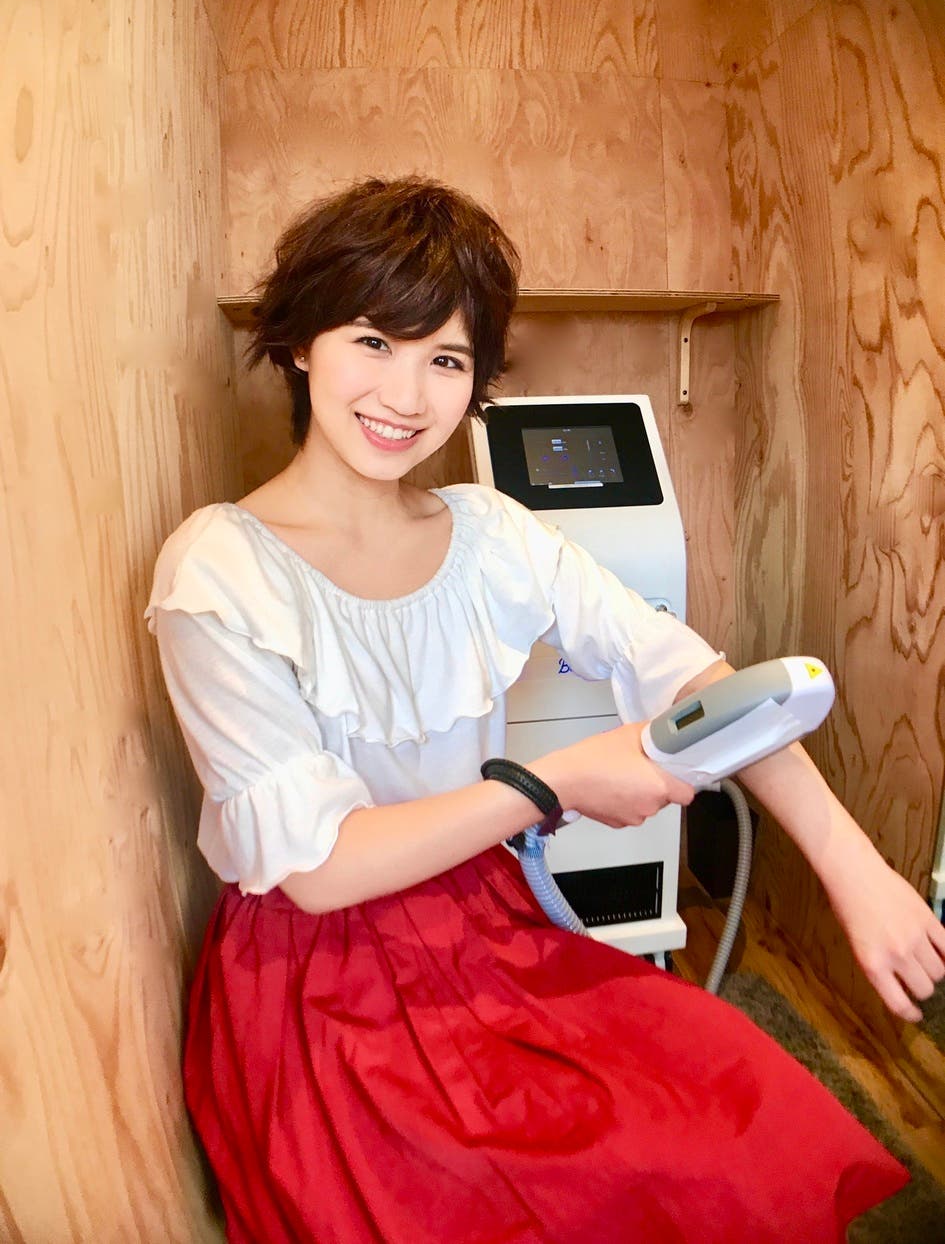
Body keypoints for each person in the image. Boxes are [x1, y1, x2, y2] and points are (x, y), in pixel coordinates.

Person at [146, 176, 944, 1243]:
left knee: (737, 1119)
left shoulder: (491, 533)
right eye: (373, 341)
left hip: (485, 924)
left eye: (446, 360)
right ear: (298, 343)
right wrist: (550, 782)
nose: (405, 395)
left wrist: (855, 870)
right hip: (316, 980)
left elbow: (692, 677)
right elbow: (318, 871)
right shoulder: (218, 571)